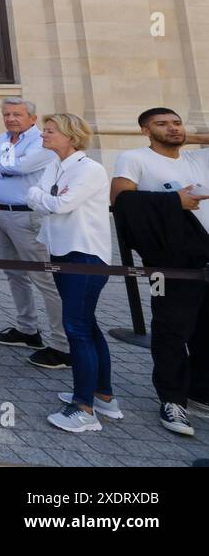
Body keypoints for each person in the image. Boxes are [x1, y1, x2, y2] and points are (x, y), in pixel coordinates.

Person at [111, 107, 209, 436]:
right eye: (161, 124)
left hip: (205, 259)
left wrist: (185, 137)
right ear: (145, 130)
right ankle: (172, 400)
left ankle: (199, 392)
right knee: (169, 331)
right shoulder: (135, 157)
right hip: (167, 264)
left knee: (206, 330)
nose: (172, 128)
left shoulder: (197, 159)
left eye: (176, 123)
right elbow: (121, 201)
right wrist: (173, 201)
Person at [24, 113, 118, 433]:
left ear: (71, 137)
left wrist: (42, 199)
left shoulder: (90, 169)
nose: (44, 135)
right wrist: (43, 199)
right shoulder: (56, 164)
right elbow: (38, 197)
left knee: (76, 327)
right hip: (62, 251)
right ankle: (102, 394)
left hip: (85, 255)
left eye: (50, 131)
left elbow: (58, 204)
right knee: (86, 325)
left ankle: (83, 408)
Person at [0, 97, 70, 369]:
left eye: (17, 114)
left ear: (32, 118)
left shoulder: (42, 140)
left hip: (27, 215)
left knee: (44, 278)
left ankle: (62, 344)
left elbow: (22, 167)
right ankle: (27, 329)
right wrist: (5, 166)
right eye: (6, 114)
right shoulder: (0, 139)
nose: (11, 119)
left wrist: (0, 166)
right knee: (13, 273)